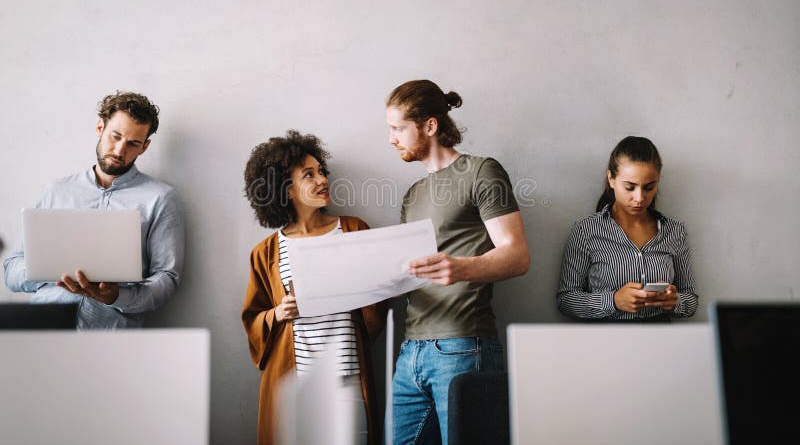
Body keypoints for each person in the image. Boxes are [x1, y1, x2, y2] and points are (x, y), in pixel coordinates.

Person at [385, 79, 530, 444]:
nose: (391, 139)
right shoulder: (413, 194)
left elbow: (517, 255)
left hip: (464, 347)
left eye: (398, 128)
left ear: (430, 126)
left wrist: (461, 267)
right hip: (410, 352)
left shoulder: (482, 171)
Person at [241, 130, 387, 445]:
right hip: (293, 385)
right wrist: (278, 313)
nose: (322, 179)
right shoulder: (266, 251)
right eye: (309, 174)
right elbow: (253, 319)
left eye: (321, 171)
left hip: (348, 379)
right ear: (286, 189)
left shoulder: (354, 230)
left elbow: (380, 302)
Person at [3, 91, 184, 329]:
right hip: (44, 327)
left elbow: (167, 279)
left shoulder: (161, 198)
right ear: (100, 127)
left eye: (133, 144)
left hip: (109, 335)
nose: (120, 151)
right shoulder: (57, 190)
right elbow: (11, 271)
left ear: (145, 147)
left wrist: (116, 296)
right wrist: (51, 268)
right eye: (115, 136)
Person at [557, 135, 698, 321]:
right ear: (611, 179)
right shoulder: (586, 231)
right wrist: (614, 300)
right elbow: (566, 300)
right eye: (629, 187)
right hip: (607, 341)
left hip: (661, 340)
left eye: (649, 187)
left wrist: (674, 301)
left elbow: (691, 300)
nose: (639, 198)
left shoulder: (674, 231)